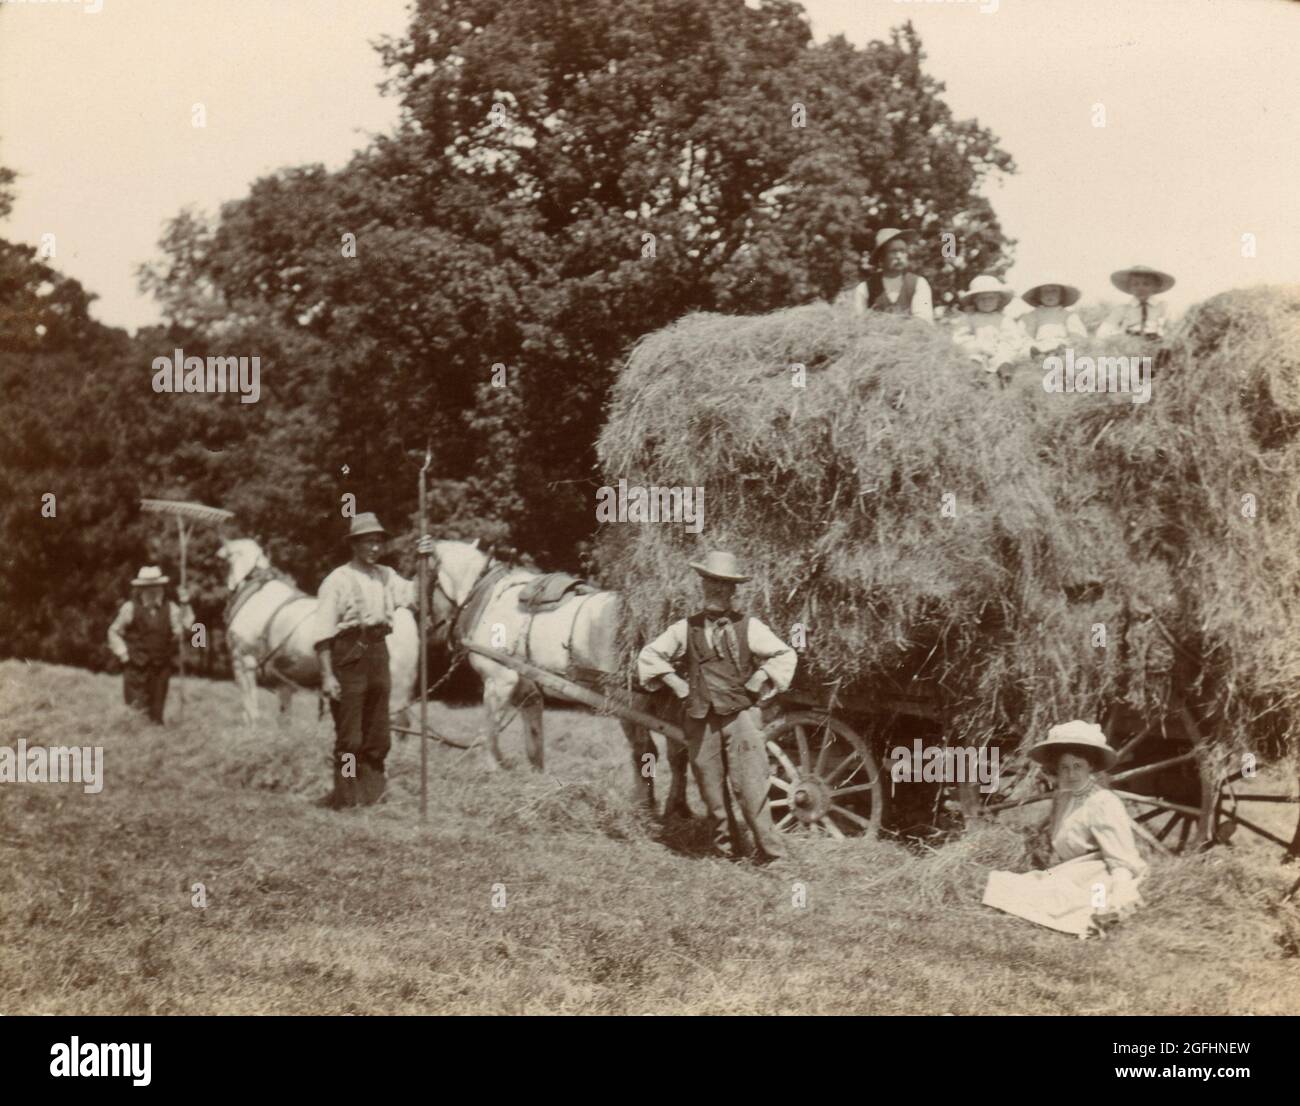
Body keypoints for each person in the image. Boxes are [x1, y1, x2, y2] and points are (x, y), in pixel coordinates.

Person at [637, 551, 797, 862]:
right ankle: (727, 853)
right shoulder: (685, 628)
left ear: (733, 591)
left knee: (751, 788)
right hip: (700, 719)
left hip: (740, 718)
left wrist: (761, 675)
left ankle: (772, 855)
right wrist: (676, 683)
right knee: (711, 791)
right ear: (702, 586)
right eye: (711, 583)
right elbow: (650, 655)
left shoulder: (749, 627)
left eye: (723, 586)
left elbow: (785, 654)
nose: (716, 590)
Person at [983, 720, 1149, 939]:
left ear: (1091, 766)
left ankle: (1099, 912)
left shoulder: (1102, 802)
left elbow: (1121, 860)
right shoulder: (1064, 797)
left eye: (1077, 766)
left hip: (1099, 878)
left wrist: (1117, 898)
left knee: (1080, 904)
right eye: (1064, 767)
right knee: (1001, 882)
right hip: (1072, 873)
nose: (1071, 774)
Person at [314, 512, 435, 809]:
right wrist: (328, 676)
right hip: (348, 654)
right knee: (350, 735)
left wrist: (424, 564)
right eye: (368, 542)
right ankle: (346, 798)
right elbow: (323, 634)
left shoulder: (387, 576)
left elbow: (416, 598)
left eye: (378, 542)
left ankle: (373, 796)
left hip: (379, 653)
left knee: (378, 733)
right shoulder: (337, 580)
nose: (374, 548)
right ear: (354, 545)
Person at [107, 565, 193, 724]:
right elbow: (113, 631)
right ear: (140, 589)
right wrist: (123, 654)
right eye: (147, 587)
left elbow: (188, 626)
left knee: (156, 715)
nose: (152, 591)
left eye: (156, 586)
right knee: (136, 713)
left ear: (161, 588)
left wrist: (186, 603)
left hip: (161, 669)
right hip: (136, 669)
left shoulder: (171, 608)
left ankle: (155, 742)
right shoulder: (130, 608)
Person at [951, 274, 1026, 382]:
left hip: (998, 350)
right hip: (978, 349)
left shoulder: (1004, 319)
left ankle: (1005, 375)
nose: (987, 302)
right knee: (974, 359)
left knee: (1004, 358)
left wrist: (1000, 347)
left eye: (991, 298)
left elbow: (1011, 337)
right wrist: (977, 346)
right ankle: (978, 377)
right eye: (982, 299)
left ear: (998, 300)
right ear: (974, 301)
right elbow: (961, 337)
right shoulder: (970, 318)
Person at [852, 228, 934, 322]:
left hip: (911, 336)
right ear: (881, 257)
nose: (899, 256)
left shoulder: (919, 284)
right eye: (893, 251)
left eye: (902, 251)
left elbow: (923, 320)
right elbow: (859, 323)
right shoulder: (864, 288)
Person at [1097, 264, 1176, 339]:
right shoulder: (1122, 309)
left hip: (1157, 346)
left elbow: (1173, 330)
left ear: (1155, 287)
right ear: (1130, 288)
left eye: (1146, 284)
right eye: (1135, 284)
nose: (1140, 288)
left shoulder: (1163, 308)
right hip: (1130, 347)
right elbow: (1103, 332)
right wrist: (1120, 336)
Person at [1019, 281, 1087, 355]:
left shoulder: (1068, 315)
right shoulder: (1034, 315)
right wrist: (1030, 344)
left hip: (1061, 343)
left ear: (1061, 295)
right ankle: (1039, 355)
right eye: (1045, 291)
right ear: (1038, 296)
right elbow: (1028, 334)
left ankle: (1058, 353)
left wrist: (1074, 342)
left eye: (1054, 291)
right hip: (1041, 344)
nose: (1049, 295)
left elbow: (1076, 333)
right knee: (1030, 348)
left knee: (1065, 348)